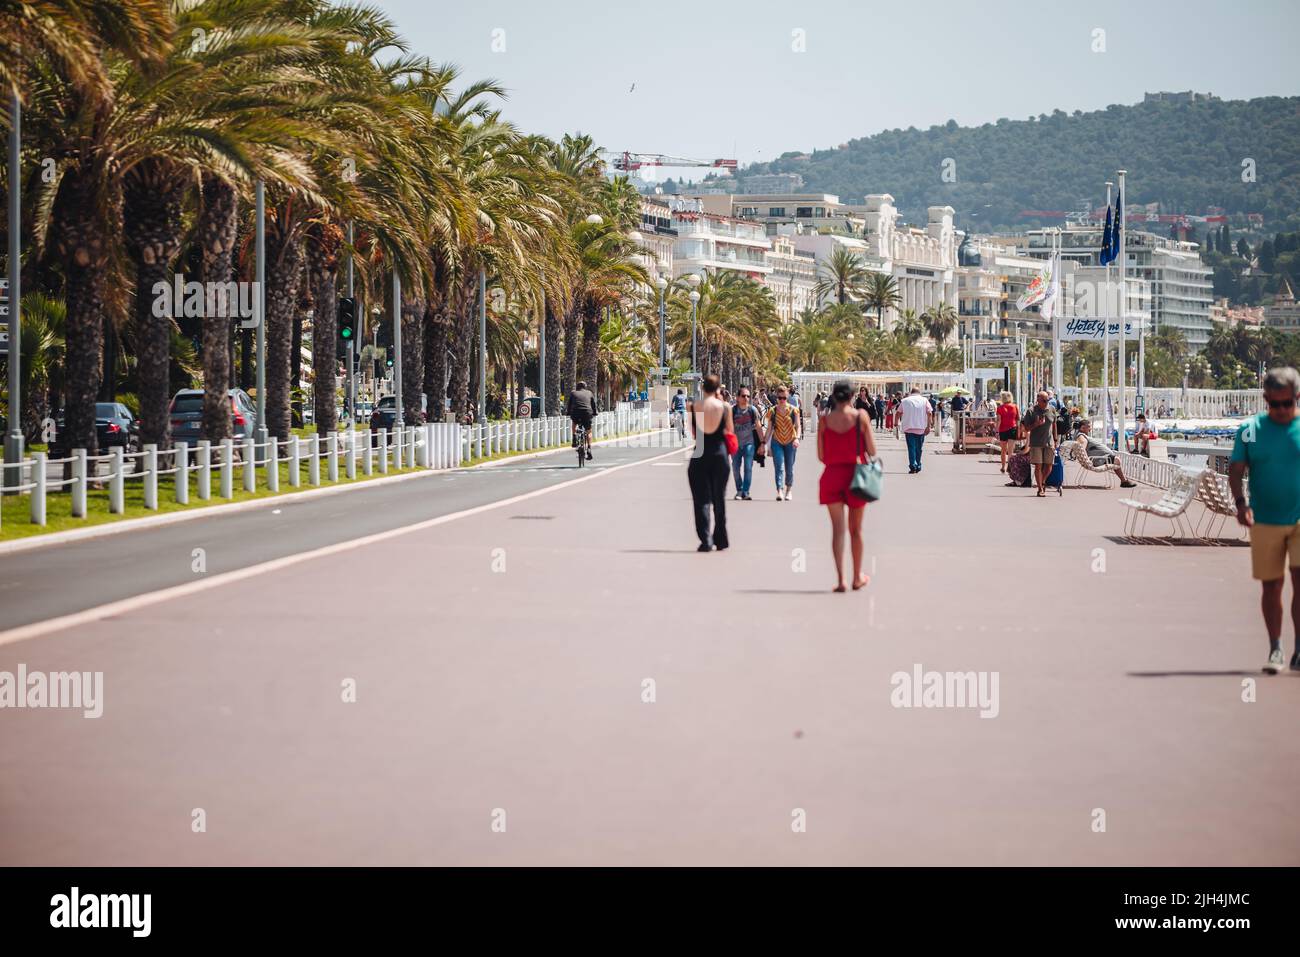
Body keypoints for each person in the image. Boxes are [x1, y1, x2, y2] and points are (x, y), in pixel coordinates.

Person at [1229, 367, 1300, 674]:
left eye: (1288, 403)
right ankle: (1275, 647)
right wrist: (1241, 504)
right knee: (1272, 587)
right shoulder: (1250, 429)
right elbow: (1236, 469)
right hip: (1266, 519)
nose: (1281, 410)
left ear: (1297, 397)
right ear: (1265, 399)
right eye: (1275, 404)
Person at [818, 380, 878, 592]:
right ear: (853, 396)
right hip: (856, 475)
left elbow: (821, 455)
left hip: (832, 475)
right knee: (856, 530)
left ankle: (841, 579)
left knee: (837, 530)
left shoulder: (824, 420)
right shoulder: (860, 417)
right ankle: (857, 577)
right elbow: (872, 450)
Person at [687, 373, 734, 552]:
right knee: (719, 498)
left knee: (701, 500)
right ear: (717, 389)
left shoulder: (693, 407)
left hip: (700, 454)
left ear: (702, 387)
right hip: (720, 454)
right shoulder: (725, 407)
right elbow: (729, 430)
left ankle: (705, 539)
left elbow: (693, 433)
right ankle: (720, 539)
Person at [1074, 420, 1136, 487]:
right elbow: (1082, 447)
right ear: (1082, 428)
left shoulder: (1081, 435)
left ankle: (1124, 480)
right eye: (1088, 427)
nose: (1090, 429)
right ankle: (1124, 481)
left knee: (1115, 460)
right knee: (1116, 460)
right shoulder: (1081, 436)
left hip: (1102, 458)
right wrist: (1087, 460)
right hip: (1099, 460)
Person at [765, 385, 801, 500]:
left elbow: (798, 426)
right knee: (779, 467)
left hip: (791, 441)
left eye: (784, 398)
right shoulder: (772, 411)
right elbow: (769, 429)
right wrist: (763, 443)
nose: (782, 400)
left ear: (788, 397)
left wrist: (797, 438)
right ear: (777, 398)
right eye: (780, 398)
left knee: (789, 467)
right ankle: (779, 490)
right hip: (777, 442)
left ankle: (789, 490)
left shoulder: (794, 410)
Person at [1022, 391, 1058, 497]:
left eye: (1047, 400)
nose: (1046, 402)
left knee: (1049, 466)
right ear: (1038, 400)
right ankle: (1040, 488)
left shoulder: (1052, 409)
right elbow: (1026, 428)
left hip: (1049, 442)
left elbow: (1054, 424)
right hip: (1036, 442)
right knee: (1038, 465)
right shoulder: (1031, 411)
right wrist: (1036, 424)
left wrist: (1055, 440)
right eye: (1044, 400)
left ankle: (1043, 481)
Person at [730, 387, 763, 501]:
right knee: (735, 468)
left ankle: (745, 491)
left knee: (748, 468)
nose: (746, 398)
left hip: (749, 444)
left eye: (748, 396)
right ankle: (739, 489)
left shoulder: (752, 410)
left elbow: (758, 427)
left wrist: (762, 443)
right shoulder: (732, 411)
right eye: (743, 396)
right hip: (735, 445)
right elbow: (727, 428)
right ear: (737, 398)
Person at [899, 386, 933, 474]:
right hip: (921, 428)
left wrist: (895, 424)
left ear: (911, 392)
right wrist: (929, 426)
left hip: (909, 428)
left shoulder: (905, 401)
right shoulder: (925, 400)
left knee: (911, 448)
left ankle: (912, 465)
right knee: (919, 448)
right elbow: (929, 413)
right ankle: (918, 464)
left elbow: (898, 413)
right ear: (919, 392)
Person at [566, 380, 598, 460]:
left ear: (577, 387)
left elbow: (569, 405)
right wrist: (595, 413)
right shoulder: (589, 393)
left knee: (574, 422)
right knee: (589, 431)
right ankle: (589, 448)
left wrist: (568, 413)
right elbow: (593, 405)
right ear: (585, 387)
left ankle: (574, 438)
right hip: (587, 413)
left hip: (576, 412)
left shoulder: (573, 393)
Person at [995, 390, 1019, 473]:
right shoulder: (1015, 406)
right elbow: (1018, 419)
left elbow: (998, 420)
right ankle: (1010, 467)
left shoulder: (1000, 408)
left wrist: (997, 431)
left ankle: (1003, 466)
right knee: (1011, 450)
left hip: (1003, 430)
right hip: (1013, 428)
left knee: (1003, 450)